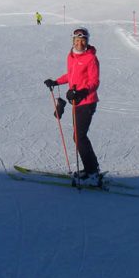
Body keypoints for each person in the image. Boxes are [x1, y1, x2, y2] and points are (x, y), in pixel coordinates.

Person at [44, 27, 101, 184]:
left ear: (87, 41)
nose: (80, 43)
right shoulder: (71, 57)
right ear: (73, 41)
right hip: (76, 102)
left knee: (79, 137)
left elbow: (94, 82)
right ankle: (92, 168)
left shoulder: (91, 58)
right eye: (77, 40)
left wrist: (82, 92)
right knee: (79, 136)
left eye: (83, 40)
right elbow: (71, 75)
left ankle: (92, 172)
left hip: (87, 102)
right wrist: (56, 82)